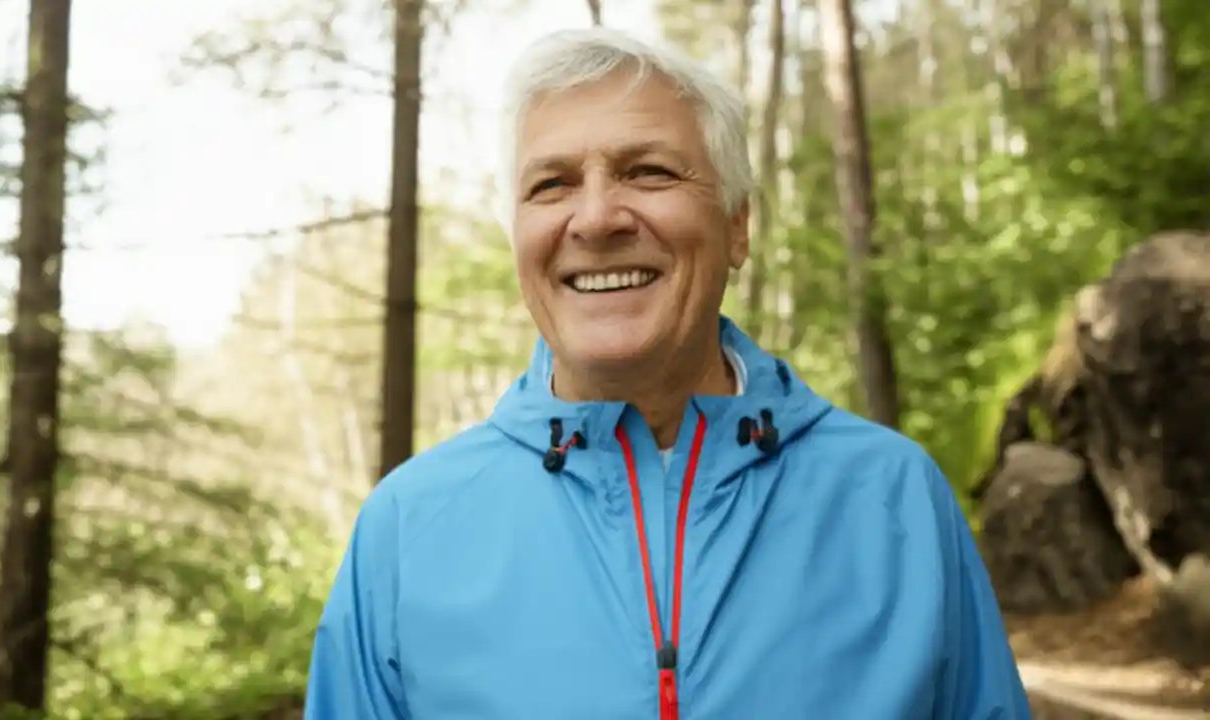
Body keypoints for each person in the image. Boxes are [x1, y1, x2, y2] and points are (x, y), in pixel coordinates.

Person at [304, 27, 1032, 719]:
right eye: (551, 184)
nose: (596, 219)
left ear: (737, 225)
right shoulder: (405, 532)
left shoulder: (895, 500)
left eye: (647, 172)